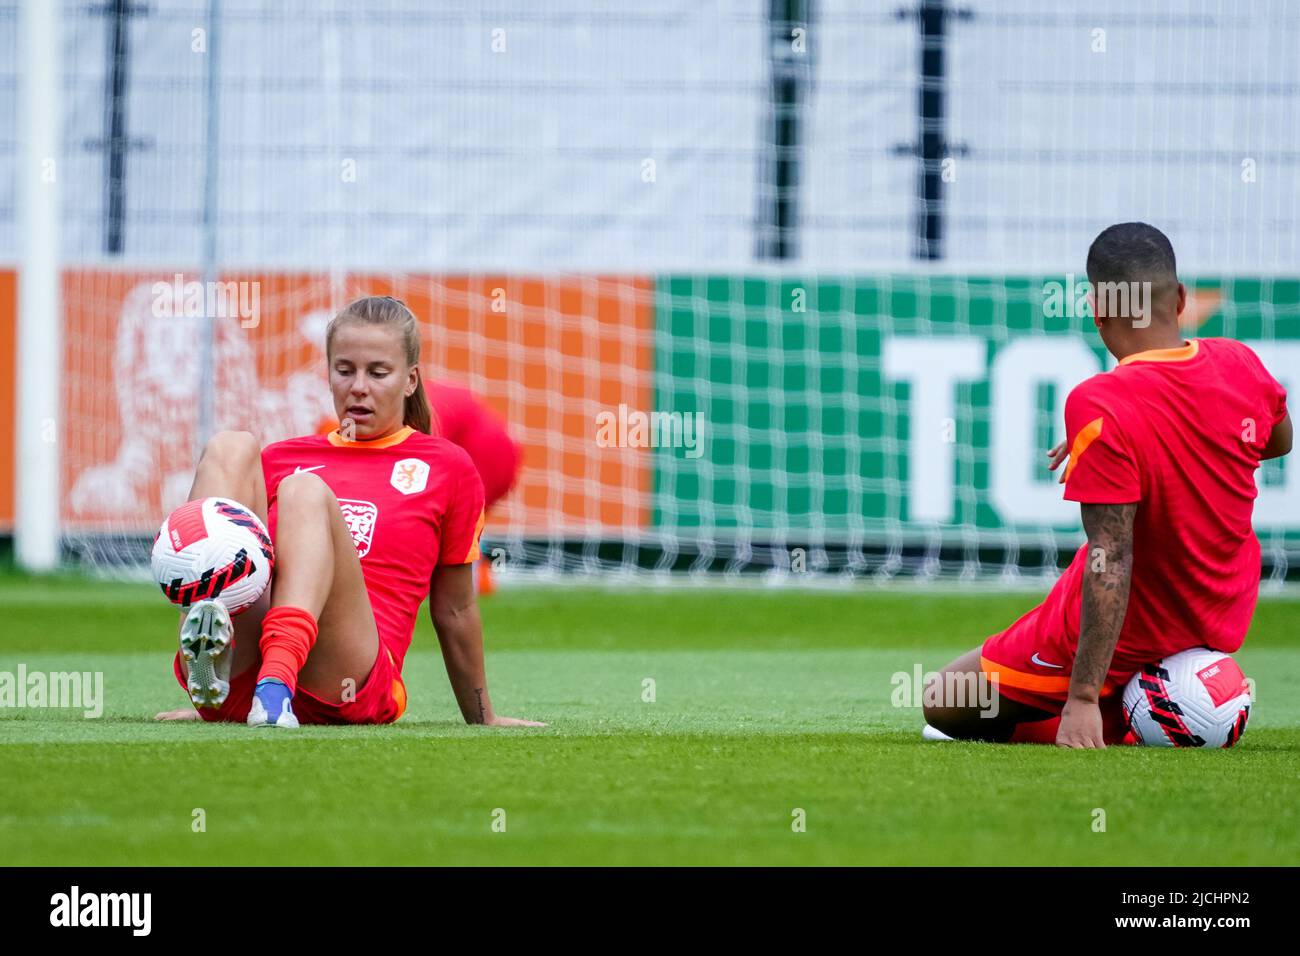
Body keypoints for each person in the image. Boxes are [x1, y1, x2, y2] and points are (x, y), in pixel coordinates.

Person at [923, 222, 1291, 748]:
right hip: (1218, 616)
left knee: (944, 702)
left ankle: (1120, 718)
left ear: (1097, 310)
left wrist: (1081, 698)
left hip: (1136, 627)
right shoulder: (1240, 364)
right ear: (1181, 299)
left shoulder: (1101, 402)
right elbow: (1277, 440)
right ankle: (1163, 706)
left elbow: (1111, 557)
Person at [157, 295, 544, 729]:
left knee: (304, 491)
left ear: (411, 380)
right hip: (248, 672)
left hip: (346, 681)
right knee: (230, 446)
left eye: (378, 373)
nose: (358, 386)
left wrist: (482, 715)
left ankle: (275, 685)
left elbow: (454, 609)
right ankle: (218, 668)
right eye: (344, 371)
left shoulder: (447, 467)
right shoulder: (283, 456)